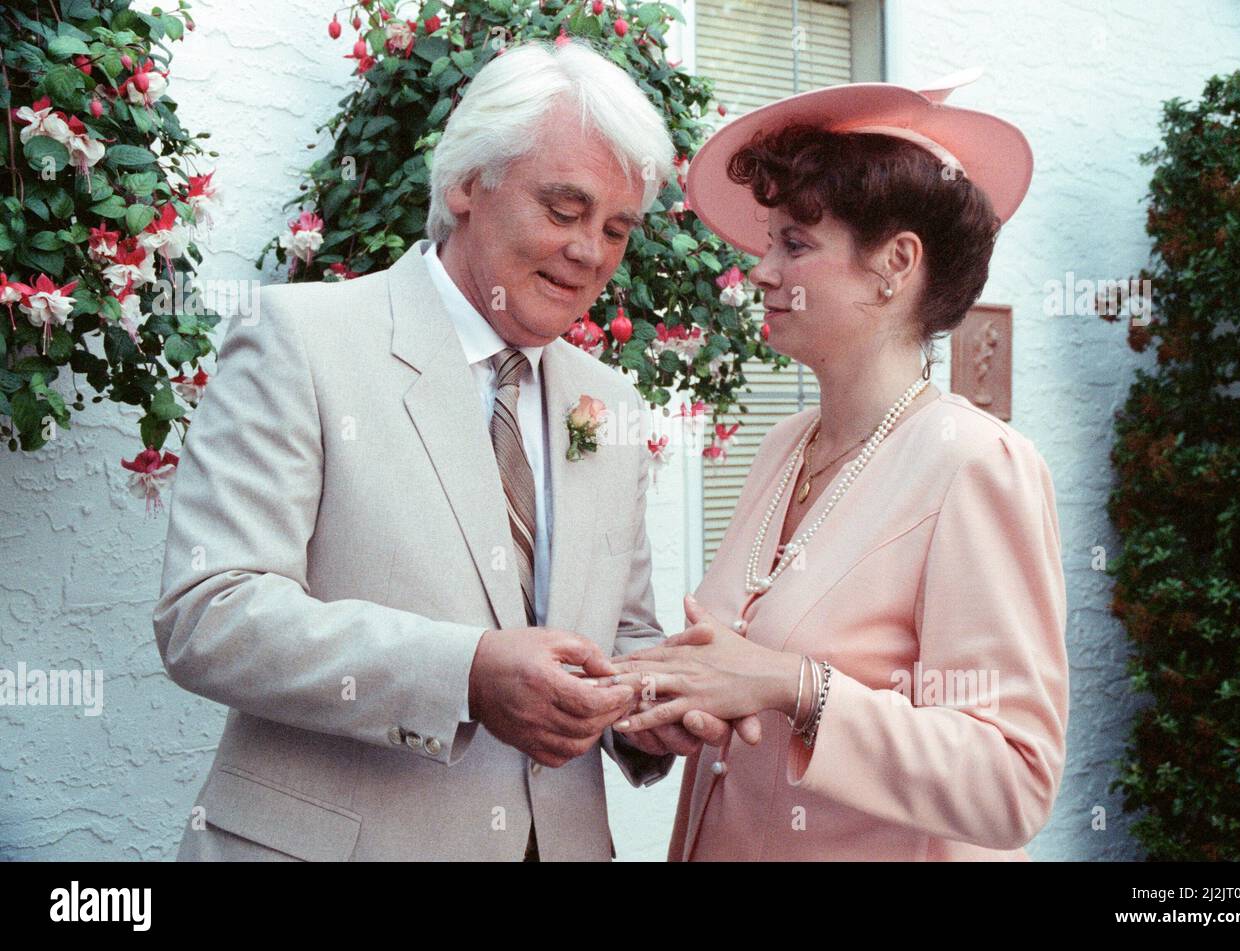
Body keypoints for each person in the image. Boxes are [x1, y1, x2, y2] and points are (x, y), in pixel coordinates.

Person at [152, 39, 745, 862]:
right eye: (564, 209)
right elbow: (210, 614)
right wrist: (465, 673)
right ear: (466, 181)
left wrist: (654, 709)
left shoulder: (608, 401)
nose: (590, 253)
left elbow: (622, 638)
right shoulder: (301, 338)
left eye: (617, 228)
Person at [601, 73, 1071, 860]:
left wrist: (798, 687)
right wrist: (676, 700)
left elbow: (1012, 781)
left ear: (895, 264)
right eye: (769, 241)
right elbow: (739, 679)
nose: (761, 270)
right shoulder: (785, 445)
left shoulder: (977, 463)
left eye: (795, 243)